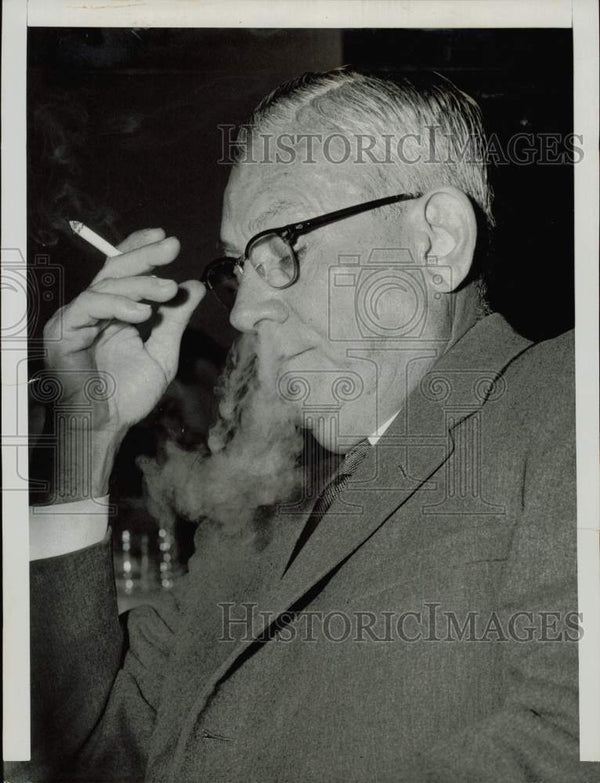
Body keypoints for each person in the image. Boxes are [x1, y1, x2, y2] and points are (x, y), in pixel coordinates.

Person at [18, 69, 594, 782]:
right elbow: (74, 754)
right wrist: (84, 435)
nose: (240, 311)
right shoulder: (259, 506)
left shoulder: (564, 397)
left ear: (436, 242)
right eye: (239, 267)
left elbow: (573, 746)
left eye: (281, 246)